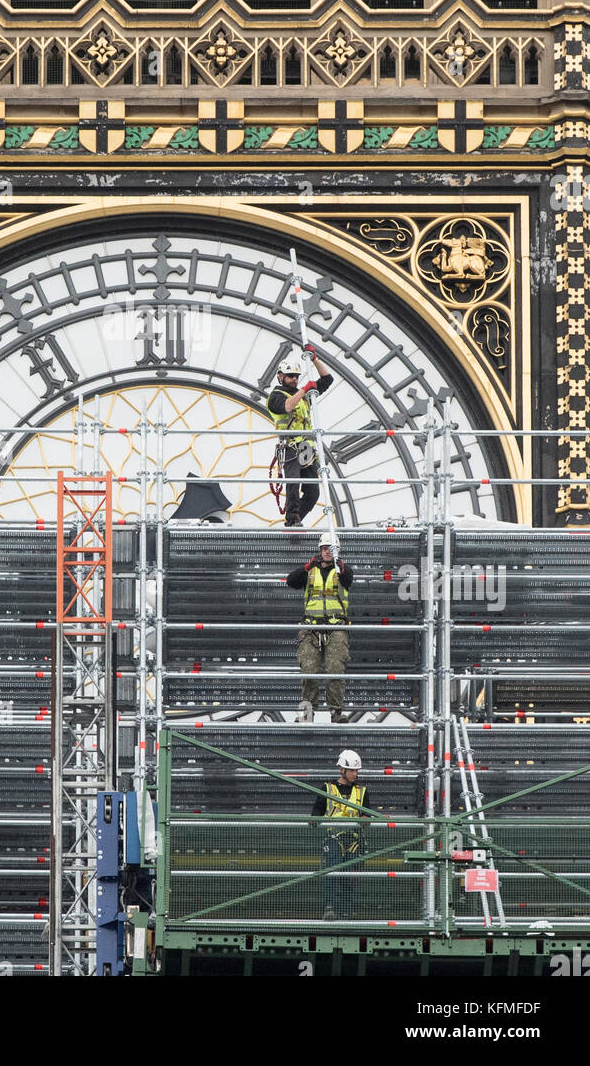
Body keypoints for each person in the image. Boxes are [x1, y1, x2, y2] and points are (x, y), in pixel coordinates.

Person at [287, 534, 353, 723]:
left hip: (335, 627)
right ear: (319, 550)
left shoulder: (342, 571)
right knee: (308, 670)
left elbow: (349, 579)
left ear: (336, 551)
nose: (326, 551)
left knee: (335, 669)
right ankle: (307, 713)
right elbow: (291, 581)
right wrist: (307, 567)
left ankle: (336, 712)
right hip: (310, 628)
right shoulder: (310, 571)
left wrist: (339, 565)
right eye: (324, 548)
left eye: (330, 548)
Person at [267, 346, 333, 527]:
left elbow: (327, 380)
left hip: (307, 448)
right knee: (294, 484)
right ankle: (292, 519)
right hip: (290, 447)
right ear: (280, 377)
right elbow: (287, 407)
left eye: (296, 376)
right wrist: (304, 390)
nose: (294, 379)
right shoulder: (276, 396)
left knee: (313, 492)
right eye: (290, 376)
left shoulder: (303, 396)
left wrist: (314, 359)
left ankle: (295, 521)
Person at [311, 748, 370, 921]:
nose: (355, 774)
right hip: (334, 837)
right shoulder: (327, 788)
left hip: (353, 839)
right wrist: (314, 820)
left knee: (348, 875)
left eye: (356, 770)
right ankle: (329, 908)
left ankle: (346, 911)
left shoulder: (361, 791)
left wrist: (366, 819)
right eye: (351, 770)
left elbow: (366, 813)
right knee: (331, 871)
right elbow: (317, 811)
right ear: (342, 770)